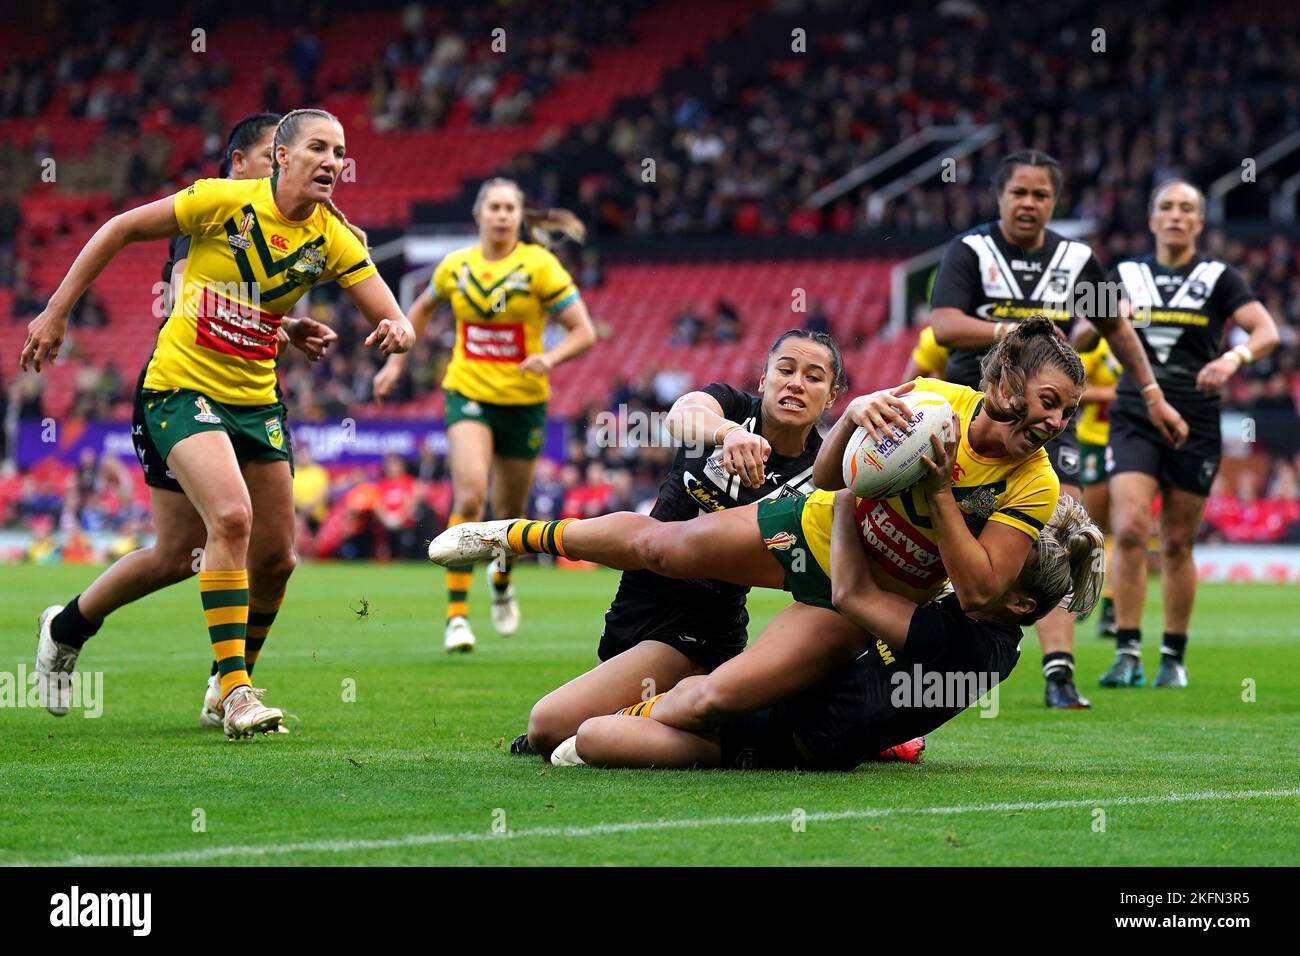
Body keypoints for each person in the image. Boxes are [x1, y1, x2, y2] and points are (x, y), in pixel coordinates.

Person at [431, 318, 1081, 725]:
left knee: (727, 694)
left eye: (1065, 413)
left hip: (849, 598)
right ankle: (502, 536)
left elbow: (978, 592)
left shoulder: (1036, 483)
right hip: (811, 527)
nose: (1054, 423)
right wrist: (846, 422)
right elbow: (823, 476)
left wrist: (938, 494)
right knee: (660, 546)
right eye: (1048, 403)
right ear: (1008, 381)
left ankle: (624, 728)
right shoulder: (929, 400)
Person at [24, 108, 415, 737]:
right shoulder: (218, 204)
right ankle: (237, 692)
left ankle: (69, 627)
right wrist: (56, 311)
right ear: (280, 157)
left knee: (240, 558)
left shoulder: (334, 238)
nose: (333, 161)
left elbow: (395, 319)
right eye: (318, 147)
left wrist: (395, 330)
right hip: (180, 389)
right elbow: (127, 232)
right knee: (231, 518)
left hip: (256, 403)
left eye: (340, 152)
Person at [566, 493, 1103, 770]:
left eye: (996, 562)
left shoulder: (964, 640)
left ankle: (648, 719)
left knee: (594, 737)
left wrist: (849, 500)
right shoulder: (995, 639)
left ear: (1019, 601)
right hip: (821, 716)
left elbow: (851, 597)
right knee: (599, 719)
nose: (978, 561)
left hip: (791, 739)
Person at [928, 149, 1188, 709]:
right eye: (1019, 192)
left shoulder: (1074, 261)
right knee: (932, 534)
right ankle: (910, 656)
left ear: (1054, 202)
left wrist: (1152, 394)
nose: (1029, 203)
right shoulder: (971, 251)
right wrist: (1016, 332)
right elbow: (944, 325)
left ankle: (1058, 671)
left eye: (1040, 194)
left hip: (1048, 424)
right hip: (971, 419)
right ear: (1000, 198)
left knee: (1057, 536)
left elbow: (1117, 330)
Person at [519, 330, 843, 760]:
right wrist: (728, 434)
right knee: (574, 721)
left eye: (814, 377)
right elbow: (681, 415)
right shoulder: (728, 408)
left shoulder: (819, 478)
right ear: (763, 380)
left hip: (699, 628)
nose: (796, 383)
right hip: (637, 597)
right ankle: (690, 717)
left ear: (833, 397)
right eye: (785, 370)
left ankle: (723, 726)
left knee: (547, 726)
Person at [373, 177, 595, 652]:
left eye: (508, 208)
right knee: (470, 495)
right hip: (467, 392)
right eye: (492, 207)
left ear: (519, 217)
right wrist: (396, 362)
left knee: (508, 514)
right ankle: (456, 618)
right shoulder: (455, 267)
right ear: (478, 215)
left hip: (524, 401)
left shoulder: (539, 266)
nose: (500, 215)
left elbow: (584, 331)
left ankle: (501, 584)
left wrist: (551, 359)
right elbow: (421, 310)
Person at [1100, 179, 1280, 688]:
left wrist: (1232, 357)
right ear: (1152, 219)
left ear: (1200, 224)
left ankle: (1172, 657)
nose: (1176, 216)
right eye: (1166, 207)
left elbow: (1265, 331)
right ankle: (1127, 653)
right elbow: (1085, 334)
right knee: (1132, 528)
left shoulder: (1220, 277)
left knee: (1178, 541)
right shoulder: (1126, 275)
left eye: (1187, 209)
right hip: (1136, 409)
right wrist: (1111, 319)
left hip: (1197, 415)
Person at [1070, 329, 1122, 636]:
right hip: (1093, 443)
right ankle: (1086, 587)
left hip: (1132, 442)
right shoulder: (1096, 342)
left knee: (1125, 530)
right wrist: (1117, 393)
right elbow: (1075, 388)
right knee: (1095, 527)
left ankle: (1112, 606)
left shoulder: (1150, 344)